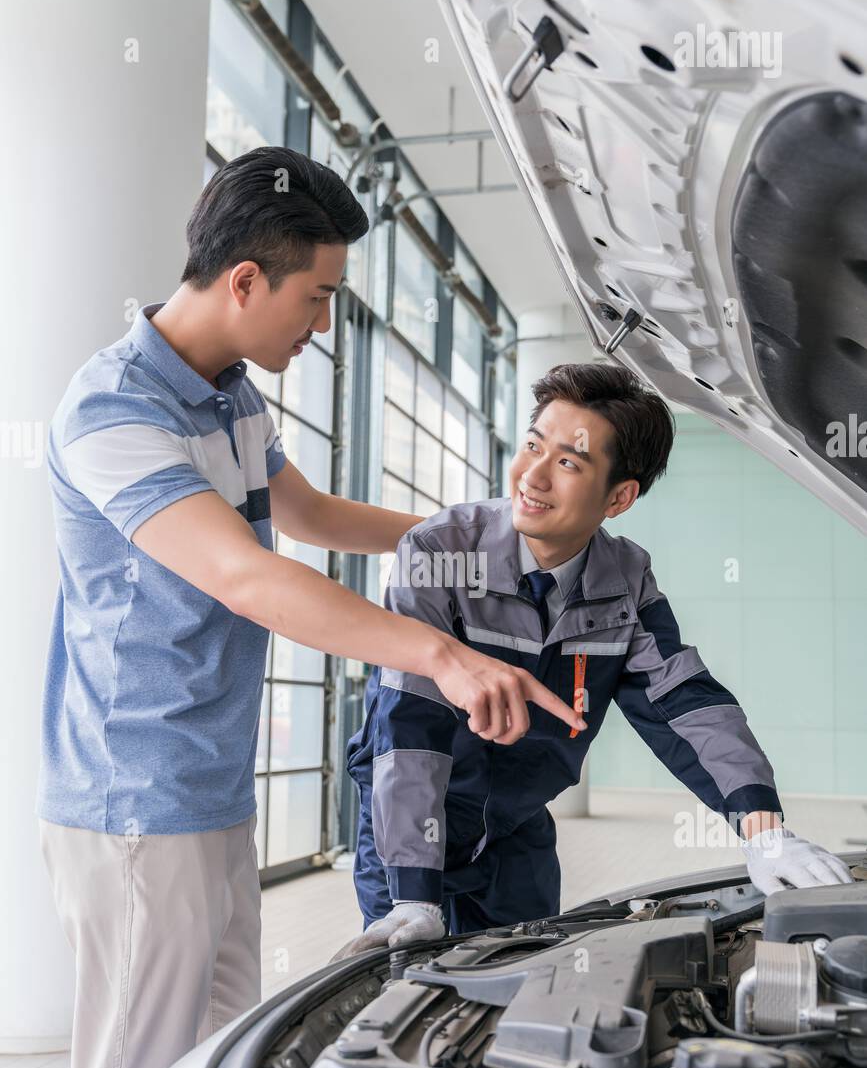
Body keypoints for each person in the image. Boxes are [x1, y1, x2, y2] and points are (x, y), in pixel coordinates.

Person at [36, 145, 582, 1068]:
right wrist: (441, 653)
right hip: (135, 804)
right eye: (320, 297)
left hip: (209, 794)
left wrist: (488, 546)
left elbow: (313, 517)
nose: (324, 325)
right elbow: (248, 576)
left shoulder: (229, 393)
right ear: (248, 280)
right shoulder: (113, 412)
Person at [335, 362, 852, 957]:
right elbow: (409, 723)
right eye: (533, 445)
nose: (532, 475)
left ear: (620, 497)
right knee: (413, 993)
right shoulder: (439, 550)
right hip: (410, 821)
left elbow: (684, 702)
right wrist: (412, 892)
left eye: (567, 462)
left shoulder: (625, 578)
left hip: (515, 828)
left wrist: (764, 831)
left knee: (528, 979)